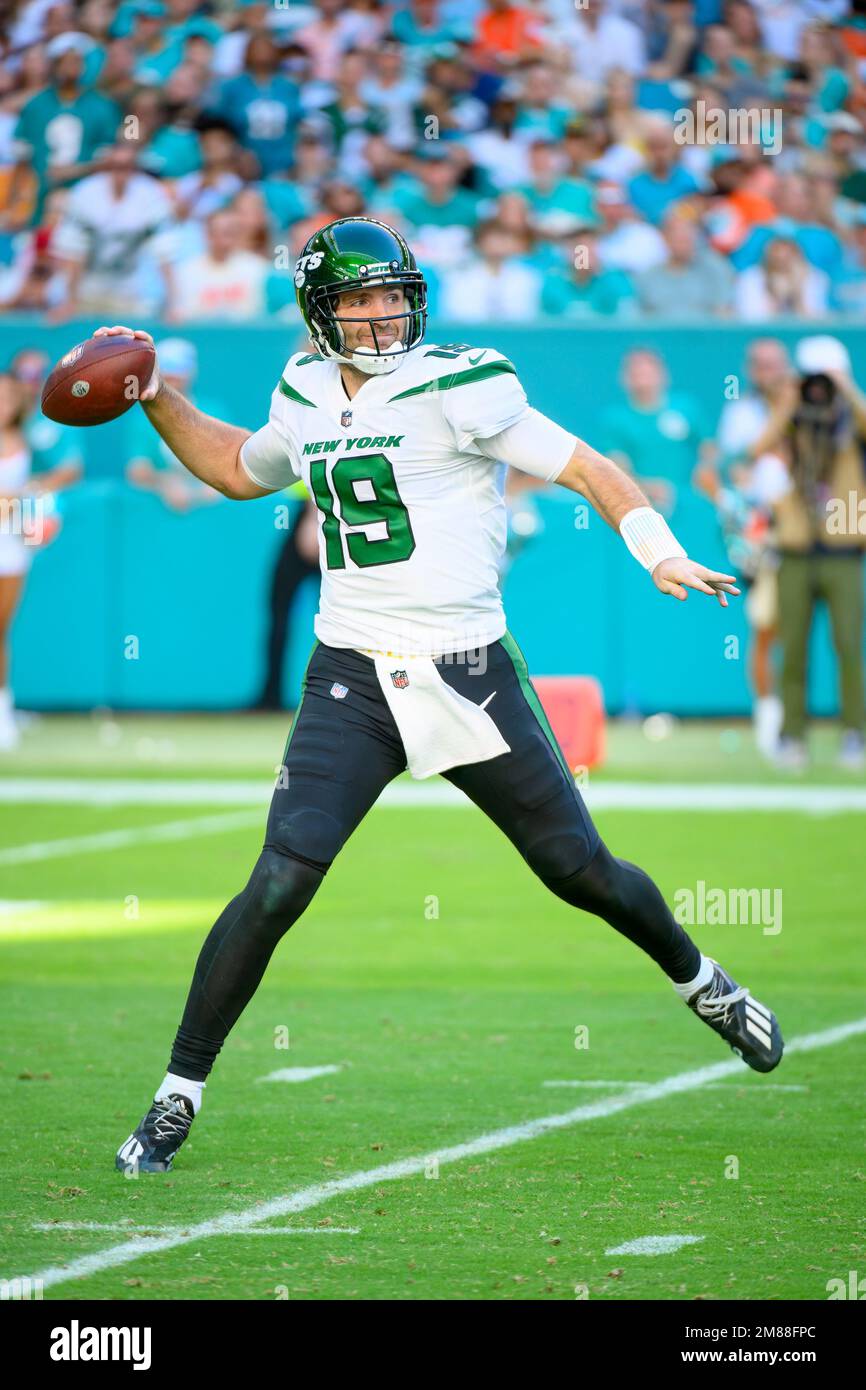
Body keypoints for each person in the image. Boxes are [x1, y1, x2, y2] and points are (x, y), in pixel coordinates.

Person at [97, 216, 783, 1175]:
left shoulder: (462, 380)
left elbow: (587, 466)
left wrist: (659, 551)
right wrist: (156, 396)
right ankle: (177, 1096)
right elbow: (235, 470)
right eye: (359, 299)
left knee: (579, 870)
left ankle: (701, 980)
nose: (382, 315)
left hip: (466, 668)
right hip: (352, 674)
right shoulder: (300, 386)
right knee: (280, 880)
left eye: (392, 294)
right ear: (318, 312)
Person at [748, 335, 866, 771]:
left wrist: (845, 389)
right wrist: (789, 401)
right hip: (796, 548)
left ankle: (856, 732)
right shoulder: (792, 418)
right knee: (792, 647)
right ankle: (792, 736)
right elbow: (758, 448)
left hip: (843, 548)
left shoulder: (850, 420)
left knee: (849, 645)